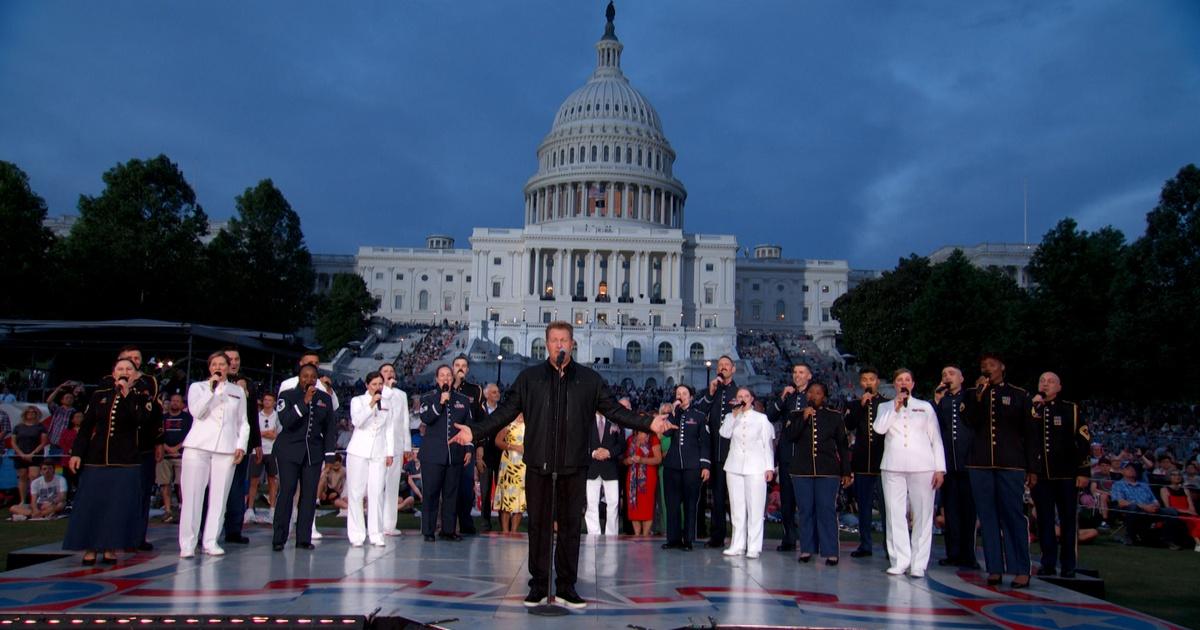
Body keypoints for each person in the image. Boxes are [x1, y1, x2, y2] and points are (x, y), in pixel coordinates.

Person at [449, 322, 671, 609]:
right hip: (538, 465)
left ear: (572, 344)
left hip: (573, 466)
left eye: (564, 340)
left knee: (569, 528)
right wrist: (474, 432)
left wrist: (649, 423)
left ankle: (566, 587)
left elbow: (615, 411)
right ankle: (539, 586)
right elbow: (504, 413)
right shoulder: (530, 378)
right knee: (538, 527)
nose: (559, 345)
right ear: (547, 344)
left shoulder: (589, 380)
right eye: (554, 340)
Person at [63, 358, 153, 564]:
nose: (124, 372)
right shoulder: (99, 395)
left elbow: (141, 419)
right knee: (92, 504)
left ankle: (111, 546)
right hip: (97, 458)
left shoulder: (141, 397)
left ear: (135, 374)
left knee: (117, 506)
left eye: (129, 369)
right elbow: (86, 427)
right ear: (114, 373)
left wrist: (127, 394)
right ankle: (90, 546)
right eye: (120, 369)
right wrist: (77, 453)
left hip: (125, 459)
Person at [966, 353, 1035, 588]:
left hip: (1010, 463)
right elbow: (970, 422)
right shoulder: (974, 394)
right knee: (987, 517)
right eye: (984, 365)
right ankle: (994, 567)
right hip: (981, 463)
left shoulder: (1019, 395)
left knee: (1013, 515)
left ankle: (1021, 568)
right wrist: (978, 396)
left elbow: (1030, 433)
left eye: (992, 365)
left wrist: (1032, 468)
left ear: (1002, 367)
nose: (987, 369)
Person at [875, 369, 946, 578]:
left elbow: (935, 438)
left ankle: (918, 563)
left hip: (922, 466)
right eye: (899, 380)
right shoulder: (885, 406)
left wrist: (940, 468)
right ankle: (899, 560)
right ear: (894, 384)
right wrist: (895, 408)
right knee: (894, 514)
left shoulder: (925, 407)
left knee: (923, 514)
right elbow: (879, 429)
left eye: (907, 380)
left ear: (913, 384)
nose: (903, 383)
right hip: (893, 465)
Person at [179, 351, 249, 558]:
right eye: (214, 364)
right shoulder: (198, 387)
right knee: (192, 497)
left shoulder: (237, 391)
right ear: (209, 368)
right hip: (198, 447)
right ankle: (187, 543)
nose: (218, 367)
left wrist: (241, 445)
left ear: (228, 367)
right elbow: (197, 412)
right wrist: (211, 390)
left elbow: (243, 422)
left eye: (222, 364)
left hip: (225, 448)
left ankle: (211, 541)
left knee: (219, 498)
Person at [1029, 372, 1091, 578]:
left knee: (1068, 521)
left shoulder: (1070, 409)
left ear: (1059, 387)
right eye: (1042, 381)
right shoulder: (1032, 409)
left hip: (1067, 475)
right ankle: (1047, 562)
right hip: (1041, 475)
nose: (1045, 384)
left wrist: (1083, 470)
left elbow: (1083, 441)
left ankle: (1068, 564)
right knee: (1044, 520)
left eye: (1050, 381)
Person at [272, 364, 338, 551]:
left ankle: (303, 538)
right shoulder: (287, 396)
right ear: (299, 378)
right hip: (289, 451)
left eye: (312, 377)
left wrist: (329, 456)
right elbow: (286, 421)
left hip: (313, 453)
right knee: (287, 492)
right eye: (305, 376)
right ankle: (279, 538)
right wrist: (304, 402)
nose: (309, 380)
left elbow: (330, 429)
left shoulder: (325, 398)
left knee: (309, 496)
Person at [786, 382, 851, 565]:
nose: (814, 396)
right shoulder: (796, 415)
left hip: (827, 470)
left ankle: (831, 551)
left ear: (824, 396)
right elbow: (790, 436)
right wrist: (803, 418)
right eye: (811, 392)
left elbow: (843, 445)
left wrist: (846, 471)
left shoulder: (834, 417)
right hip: (802, 470)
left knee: (826, 509)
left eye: (818, 393)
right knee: (805, 510)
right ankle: (807, 549)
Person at [417, 365, 474, 542]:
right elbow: (426, 418)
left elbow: (468, 426)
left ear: (453, 378)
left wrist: (469, 448)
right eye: (442, 375)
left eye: (448, 375)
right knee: (431, 494)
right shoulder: (428, 398)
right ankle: (428, 530)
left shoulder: (463, 400)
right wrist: (440, 402)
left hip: (455, 454)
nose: (446, 378)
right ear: (436, 379)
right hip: (432, 455)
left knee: (451, 494)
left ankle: (448, 530)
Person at [720, 387, 775, 559]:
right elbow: (724, 433)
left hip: (756, 467)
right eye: (739, 396)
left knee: (755, 508)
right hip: (734, 466)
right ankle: (737, 545)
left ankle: (754, 546)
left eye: (746, 396)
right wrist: (733, 416)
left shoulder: (761, 419)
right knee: (737, 508)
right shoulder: (731, 417)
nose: (743, 398)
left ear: (751, 399)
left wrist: (769, 467)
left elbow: (767, 445)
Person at [933, 365, 978, 568]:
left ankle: (969, 555)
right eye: (944, 374)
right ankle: (953, 553)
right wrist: (937, 400)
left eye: (951, 374)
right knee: (950, 511)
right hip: (948, 465)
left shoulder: (970, 397)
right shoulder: (942, 401)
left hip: (968, 463)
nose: (947, 377)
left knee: (969, 512)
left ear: (961, 378)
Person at [346, 372, 396, 547]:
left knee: (377, 492)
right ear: (367, 385)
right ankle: (356, 534)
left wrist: (390, 453)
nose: (377, 387)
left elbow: (389, 428)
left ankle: (376, 533)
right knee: (356, 492)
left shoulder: (388, 403)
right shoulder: (358, 401)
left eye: (380, 384)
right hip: (358, 451)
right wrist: (371, 404)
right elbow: (357, 422)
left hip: (379, 451)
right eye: (374, 384)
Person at [844, 366, 889, 559]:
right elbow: (848, 425)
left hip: (884, 461)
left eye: (871, 379)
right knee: (864, 506)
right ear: (860, 383)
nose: (868, 382)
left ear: (877, 381)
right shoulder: (855, 404)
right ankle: (865, 544)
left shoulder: (887, 404)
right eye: (865, 379)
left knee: (887, 507)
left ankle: (890, 546)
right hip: (862, 461)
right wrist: (861, 406)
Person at [220, 348, 263, 545]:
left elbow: (252, 415)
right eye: (229, 359)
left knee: (237, 487)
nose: (234, 362)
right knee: (216, 487)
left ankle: (233, 530)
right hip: (219, 443)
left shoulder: (247, 383)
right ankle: (208, 530)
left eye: (237, 359)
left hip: (241, 444)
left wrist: (257, 443)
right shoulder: (212, 383)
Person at [695, 355, 738, 549]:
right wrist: (711, 393)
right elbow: (699, 412)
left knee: (736, 498)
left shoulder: (738, 392)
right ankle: (717, 536)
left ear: (733, 369)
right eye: (720, 365)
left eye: (726, 365)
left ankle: (739, 537)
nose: (723, 368)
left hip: (734, 453)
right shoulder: (710, 391)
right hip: (715, 453)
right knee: (717, 498)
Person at [661, 384, 711, 551]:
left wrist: (705, 465)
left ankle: (688, 539)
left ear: (690, 397)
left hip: (692, 466)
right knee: (672, 504)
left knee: (690, 504)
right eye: (678, 393)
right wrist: (674, 413)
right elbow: (667, 433)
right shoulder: (672, 415)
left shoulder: (699, 416)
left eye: (684, 393)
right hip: (672, 465)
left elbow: (705, 442)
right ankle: (673, 539)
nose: (681, 396)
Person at [769, 363, 812, 552]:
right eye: (795, 372)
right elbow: (770, 415)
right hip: (787, 454)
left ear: (809, 376)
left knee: (806, 501)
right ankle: (789, 538)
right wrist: (782, 397)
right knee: (787, 500)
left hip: (805, 454)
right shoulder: (788, 396)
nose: (797, 375)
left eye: (801, 372)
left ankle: (809, 540)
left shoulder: (814, 395)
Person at [451, 355, 484, 535]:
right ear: (452, 367)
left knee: (466, 486)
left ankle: (465, 522)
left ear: (468, 369)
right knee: (449, 486)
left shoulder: (475, 390)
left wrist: (479, 446)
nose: (460, 368)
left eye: (464, 365)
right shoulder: (445, 389)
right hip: (449, 443)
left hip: (468, 444)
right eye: (457, 365)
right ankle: (448, 522)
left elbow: (480, 420)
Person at [379, 363, 412, 536]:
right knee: (378, 486)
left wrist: (407, 445)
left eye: (391, 371)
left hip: (397, 445)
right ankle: (376, 525)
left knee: (392, 486)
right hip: (379, 445)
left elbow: (405, 421)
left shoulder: (401, 395)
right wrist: (386, 389)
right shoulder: (376, 393)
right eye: (385, 371)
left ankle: (389, 525)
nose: (389, 373)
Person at [586, 412, 627, 537]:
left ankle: (611, 535)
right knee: (591, 503)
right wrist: (593, 453)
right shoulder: (586, 419)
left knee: (613, 503)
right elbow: (580, 442)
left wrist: (608, 453)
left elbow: (622, 444)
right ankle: (593, 534)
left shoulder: (615, 420)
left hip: (610, 467)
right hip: (592, 468)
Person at [156, 393, 192, 523]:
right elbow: (158, 435)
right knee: (164, 483)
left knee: (181, 484)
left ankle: (183, 509)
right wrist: (166, 447)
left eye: (177, 401)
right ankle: (168, 510)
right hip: (164, 456)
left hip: (181, 455)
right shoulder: (163, 418)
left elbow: (190, 435)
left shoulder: (187, 418)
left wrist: (177, 447)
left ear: (182, 404)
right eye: (173, 400)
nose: (175, 403)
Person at [248, 392, 280, 524]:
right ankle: (250, 509)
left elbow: (276, 434)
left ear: (274, 402)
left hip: (272, 451)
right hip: (257, 450)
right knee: (254, 480)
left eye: (270, 400)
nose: (267, 402)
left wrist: (262, 433)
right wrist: (266, 433)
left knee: (272, 480)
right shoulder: (257, 415)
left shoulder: (277, 416)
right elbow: (254, 432)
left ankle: (272, 509)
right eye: (265, 400)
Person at [493, 413, 527, 533]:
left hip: (523, 466)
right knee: (507, 499)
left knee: (520, 499)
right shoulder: (509, 422)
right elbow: (497, 441)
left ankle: (514, 532)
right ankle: (505, 531)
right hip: (509, 464)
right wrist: (514, 447)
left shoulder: (529, 422)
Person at [624, 428, 661, 537]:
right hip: (632, 478)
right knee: (633, 506)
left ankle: (645, 535)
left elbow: (658, 459)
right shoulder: (631, 439)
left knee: (647, 506)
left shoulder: (653, 438)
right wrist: (628, 461)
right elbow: (624, 460)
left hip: (648, 477)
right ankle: (636, 535)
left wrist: (642, 460)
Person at [477, 383, 503, 532]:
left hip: (500, 455)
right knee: (485, 490)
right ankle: (485, 522)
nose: (497, 394)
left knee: (501, 489)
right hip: (484, 454)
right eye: (494, 392)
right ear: (486, 395)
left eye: (498, 392)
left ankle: (502, 521)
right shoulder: (480, 410)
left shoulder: (503, 411)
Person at [12, 406, 49, 509]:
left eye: (33, 412)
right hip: (20, 455)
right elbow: (13, 443)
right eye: (29, 412)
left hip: (35, 456)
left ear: (37, 414)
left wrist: (33, 453)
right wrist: (21, 454)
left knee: (34, 476)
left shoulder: (41, 427)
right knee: (22, 477)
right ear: (25, 414)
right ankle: (22, 501)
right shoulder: (18, 427)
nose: (31, 413)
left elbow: (43, 442)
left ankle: (35, 500)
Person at [1160, 470, 1200, 551]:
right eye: (1174, 475)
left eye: (1179, 475)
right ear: (1169, 477)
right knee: (1194, 521)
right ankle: (1198, 544)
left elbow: (1191, 506)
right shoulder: (1164, 490)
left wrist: (1191, 512)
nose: (1177, 477)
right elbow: (1168, 507)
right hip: (1176, 514)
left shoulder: (1185, 490)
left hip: (1189, 514)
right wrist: (1185, 511)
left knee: (1196, 519)